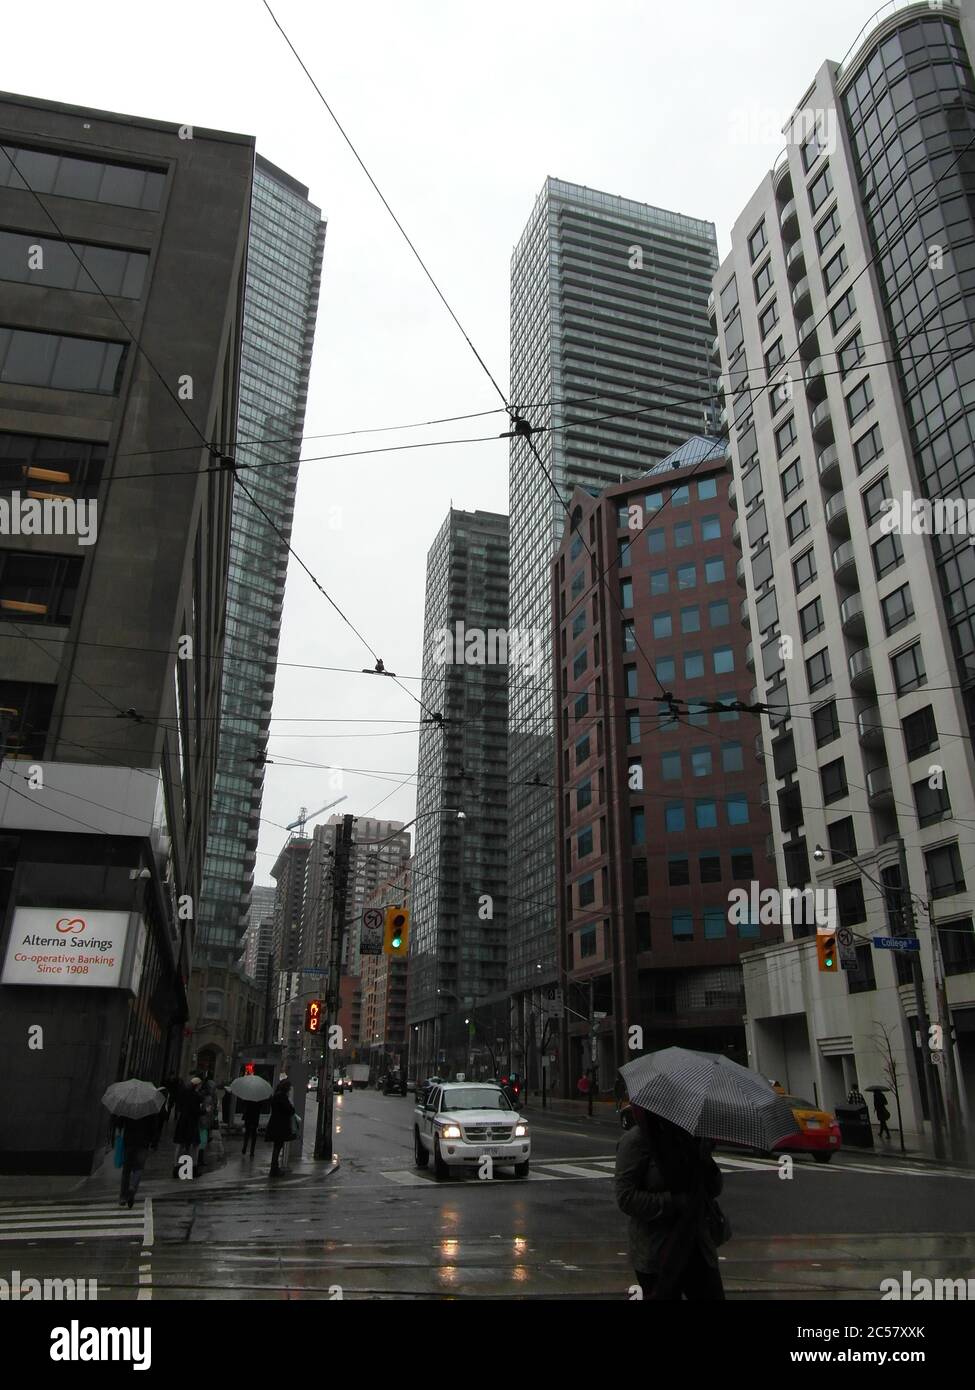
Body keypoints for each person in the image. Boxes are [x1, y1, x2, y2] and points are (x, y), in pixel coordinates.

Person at [614, 1103, 725, 1301]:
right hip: (657, 1252)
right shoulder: (636, 1141)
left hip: (697, 1245)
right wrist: (675, 1202)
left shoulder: (690, 1137)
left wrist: (706, 1160)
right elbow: (626, 1198)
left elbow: (713, 1189)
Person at [117, 1112, 156, 1208]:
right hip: (143, 1142)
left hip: (129, 1141)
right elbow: (154, 1128)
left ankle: (123, 1196)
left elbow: (120, 1123)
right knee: (138, 1168)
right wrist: (154, 1143)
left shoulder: (128, 1108)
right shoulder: (149, 1110)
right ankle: (132, 1187)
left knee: (126, 1170)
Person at [172, 1076, 204, 1178]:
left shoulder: (184, 1093)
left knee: (180, 1144)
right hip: (191, 1123)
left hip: (182, 1121)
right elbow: (196, 1111)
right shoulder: (196, 1096)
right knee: (195, 1145)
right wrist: (205, 1111)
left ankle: (176, 1167)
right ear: (198, 1085)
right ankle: (193, 1168)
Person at [266, 1078, 296, 1177]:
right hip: (280, 1125)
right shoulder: (282, 1097)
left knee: (277, 1146)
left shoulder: (276, 1096)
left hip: (275, 1124)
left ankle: (274, 1168)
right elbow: (290, 1110)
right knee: (278, 1146)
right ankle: (274, 1168)